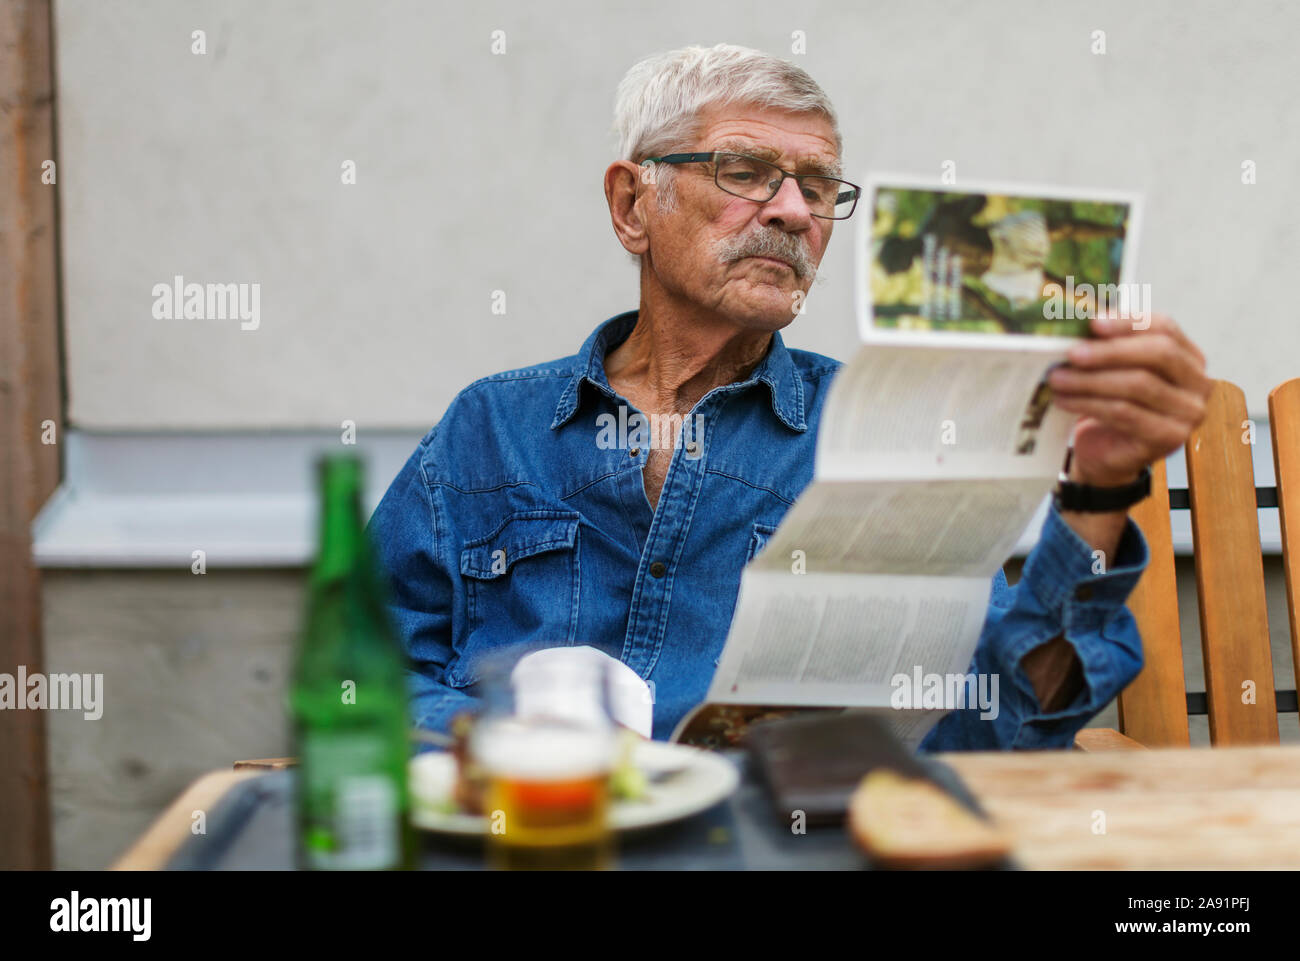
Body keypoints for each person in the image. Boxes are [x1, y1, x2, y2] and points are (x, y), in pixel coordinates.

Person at [368, 44, 1210, 747]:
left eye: (817, 187)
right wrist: (505, 740)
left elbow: (1005, 727)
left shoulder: (880, 440)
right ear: (633, 205)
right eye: (745, 171)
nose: (792, 210)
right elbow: (358, 678)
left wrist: (1098, 487)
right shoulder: (493, 427)